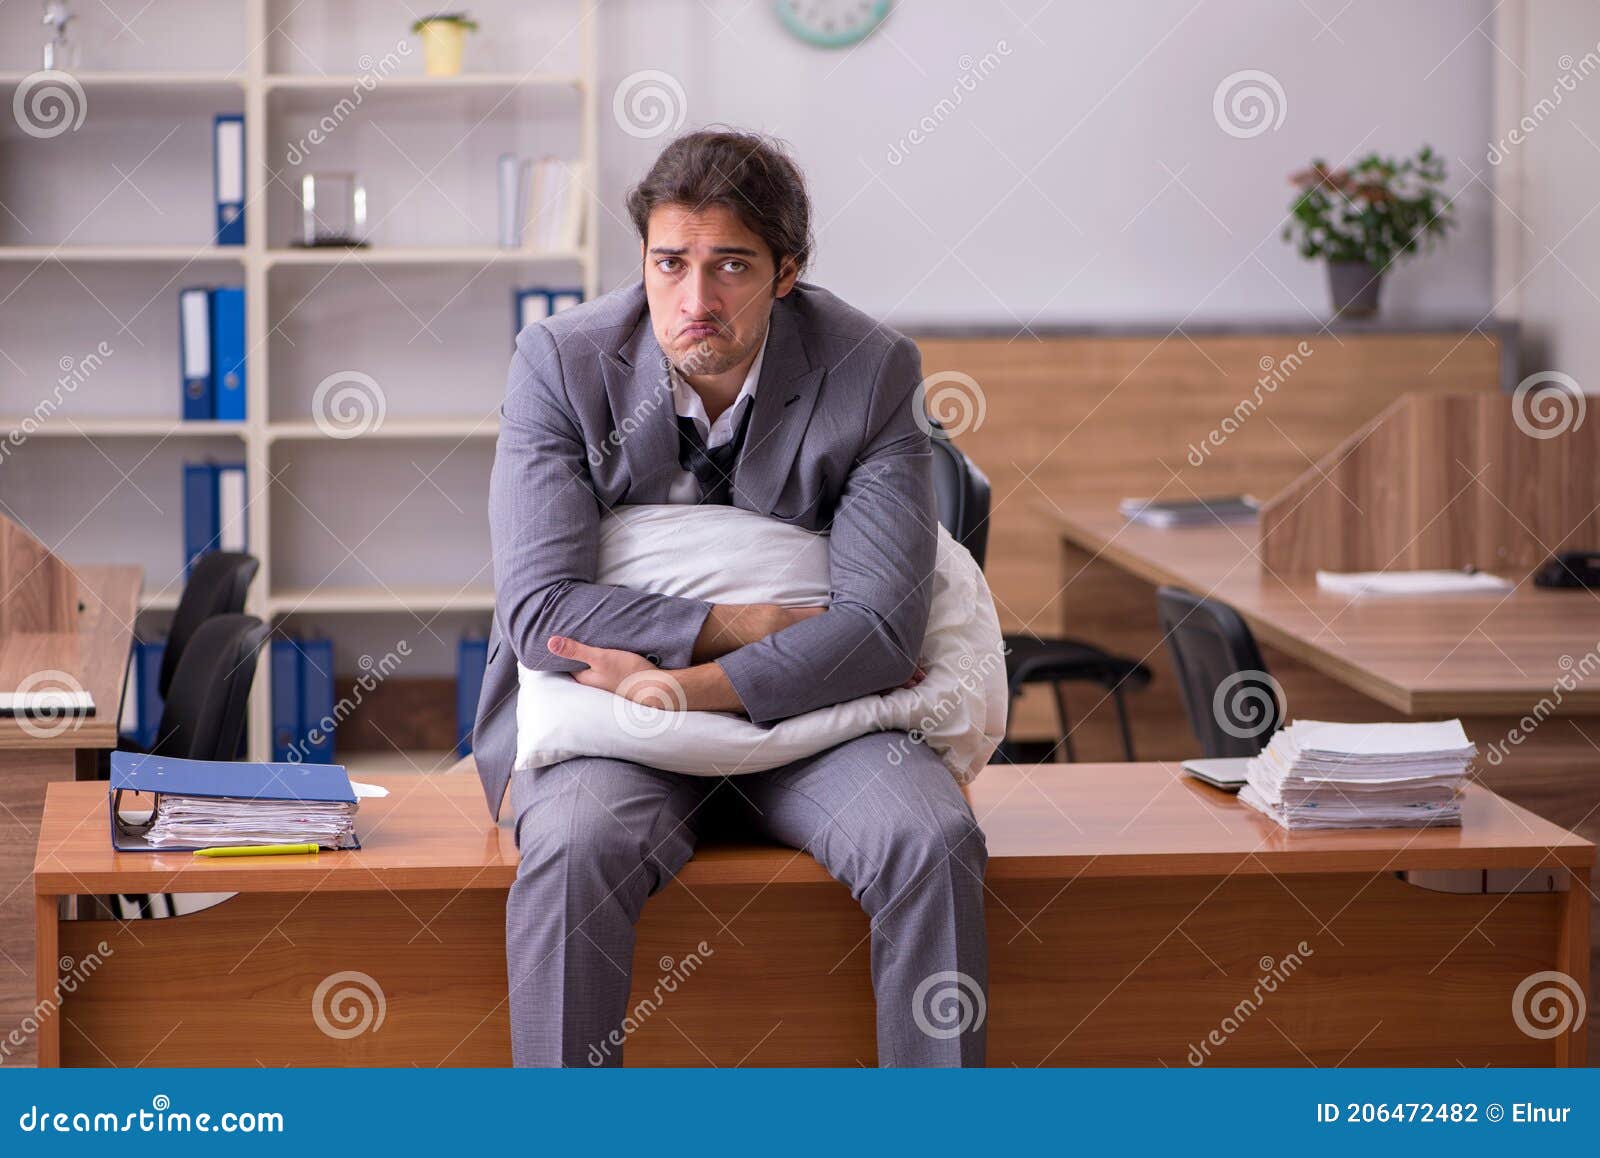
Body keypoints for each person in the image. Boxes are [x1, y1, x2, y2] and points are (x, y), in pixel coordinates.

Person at [473, 127, 987, 1067]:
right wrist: (739, 623)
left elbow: (877, 632)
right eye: (670, 263)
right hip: (608, 735)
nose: (694, 300)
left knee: (930, 834)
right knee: (574, 847)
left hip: (824, 728)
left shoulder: (873, 371)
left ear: (788, 271)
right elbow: (541, 613)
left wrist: (684, 688)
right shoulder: (561, 361)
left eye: (731, 267)